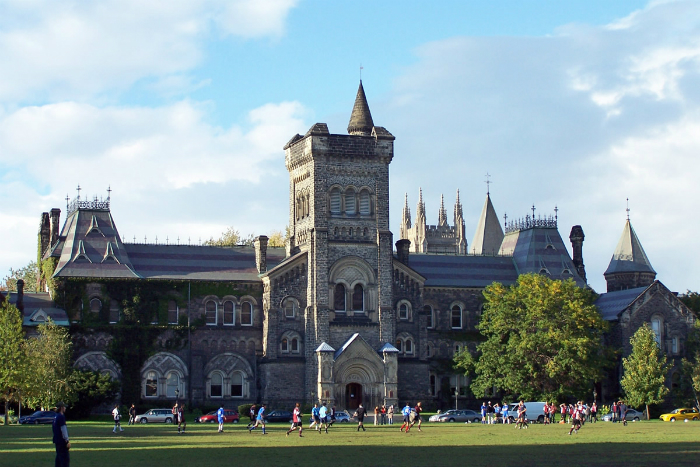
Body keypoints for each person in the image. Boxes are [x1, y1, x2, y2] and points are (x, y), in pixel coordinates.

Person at [52, 401, 70, 467]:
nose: (65, 408)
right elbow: (63, 429)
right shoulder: (61, 417)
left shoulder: (56, 417)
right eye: (64, 407)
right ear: (61, 408)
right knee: (65, 460)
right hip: (62, 441)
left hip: (57, 440)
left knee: (59, 459)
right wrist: (67, 440)